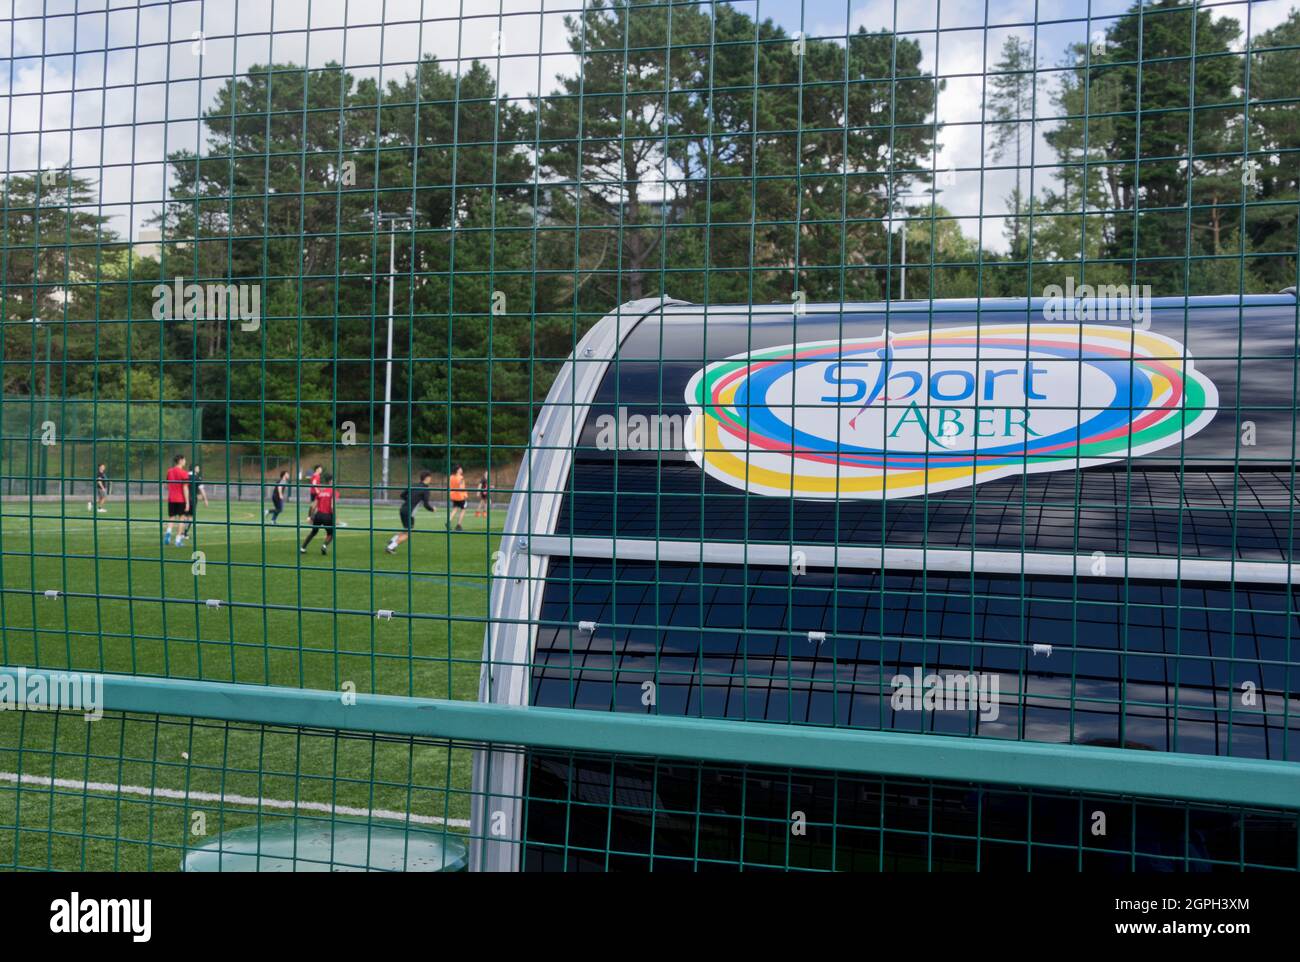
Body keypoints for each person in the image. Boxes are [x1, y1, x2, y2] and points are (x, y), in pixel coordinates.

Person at [386, 471, 436, 554]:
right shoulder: (425, 489)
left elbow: (402, 495)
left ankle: (392, 540)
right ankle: (390, 547)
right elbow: (426, 504)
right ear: (427, 478)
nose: (431, 479)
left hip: (403, 509)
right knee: (408, 534)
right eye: (430, 477)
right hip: (409, 512)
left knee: (406, 529)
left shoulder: (413, 485)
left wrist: (409, 500)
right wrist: (432, 509)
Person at [300, 471, 336, 555]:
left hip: (318, 515)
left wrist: (310, 516)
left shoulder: (321, 491)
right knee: (331, 533)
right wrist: (334, 516)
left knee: (313, 532)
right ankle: (324, 546)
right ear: (331, 481)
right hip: (327, 516)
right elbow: (332, 506)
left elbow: (313, 506)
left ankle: (303, 548)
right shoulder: (333, 491)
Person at [176, 465, 209, 547]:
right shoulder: (197, 477)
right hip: (193, 500)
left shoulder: (185, 475)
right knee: (190, 517)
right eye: (198, 467)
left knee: (183, 516)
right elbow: (202, 489)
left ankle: (181, 534)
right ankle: (184, 533)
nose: (199, 469)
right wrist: (205, 499)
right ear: (194, 468)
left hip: (183, 499)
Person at [162, 454, 190, 546]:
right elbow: (185, 488)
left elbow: (166, 485)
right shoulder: (184, 473)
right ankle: (178, 540)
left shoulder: (169, 471)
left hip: (171, 498)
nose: (185, 462)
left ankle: (168, 533)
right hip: (180, 499)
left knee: (171, 517)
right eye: (184, 460)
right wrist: (187, 502)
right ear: (181, 460)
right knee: (181, 519)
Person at [447, 464, 468, 530]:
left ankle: (449, 521)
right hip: (460, 496)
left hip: (453, 495)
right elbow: (461, 488)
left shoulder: (451, 477)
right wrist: (465, 495)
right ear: (458, 470)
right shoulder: (460, 477)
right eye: (460, 469)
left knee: (455, 509)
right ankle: (458, 525)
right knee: (463, 509)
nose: (462, 470)